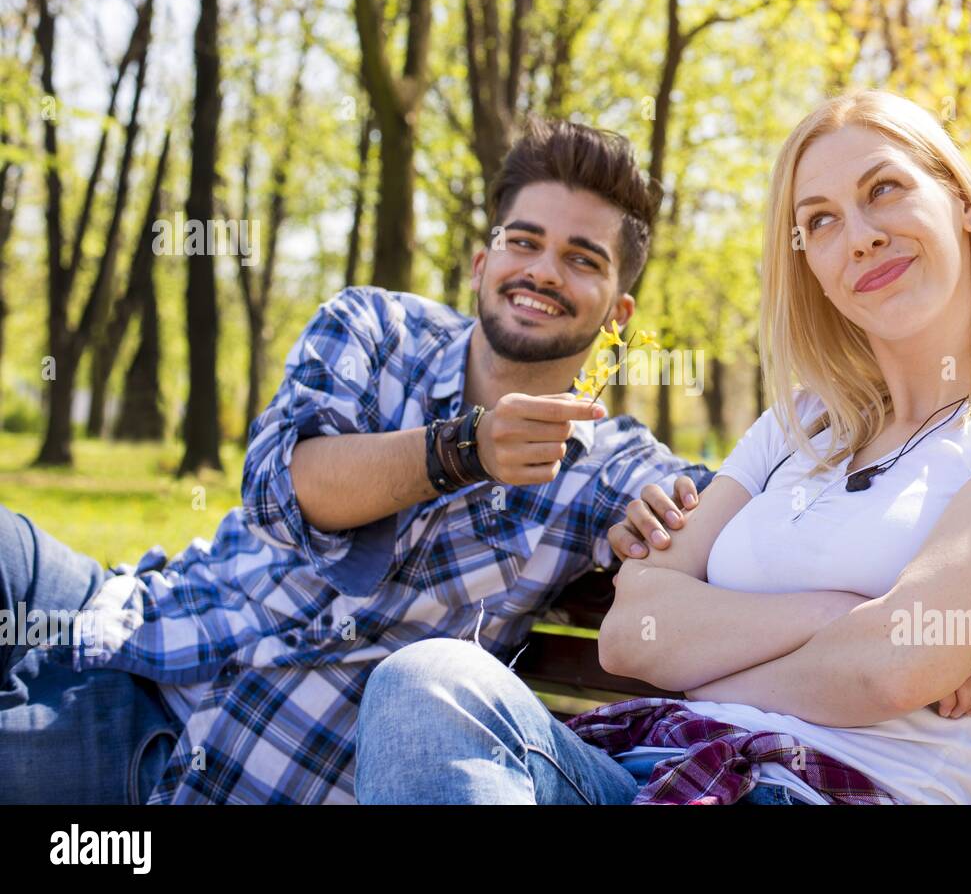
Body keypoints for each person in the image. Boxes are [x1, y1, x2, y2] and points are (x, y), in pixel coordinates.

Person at [353, 89, 971, 805]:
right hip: (662, 767)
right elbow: (634, 633)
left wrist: (723, 664)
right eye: (820, 221)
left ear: (959, 201)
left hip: (816, 790)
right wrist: (847, 611)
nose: (859, 237)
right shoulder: (799, 425)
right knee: (426, 684)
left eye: (883, 189)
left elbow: (892, 664)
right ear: (812, 267)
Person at [0, 116, 712, 804]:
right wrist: (466, 447)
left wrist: (667, 518)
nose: (542, 270)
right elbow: (279, 491)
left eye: (581, 258)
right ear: (481, 263)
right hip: (137, 609)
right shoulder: (375, 328)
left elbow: (745, 512)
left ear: (617, 315)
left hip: (181, 740)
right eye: (523, 242)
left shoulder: (608, 469)